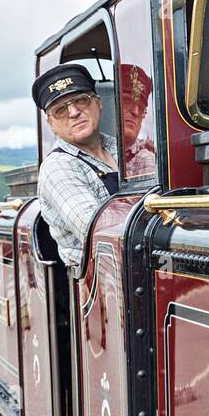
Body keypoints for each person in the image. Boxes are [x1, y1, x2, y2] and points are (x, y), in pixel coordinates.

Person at [31, 63, 119, 276]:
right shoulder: (57, 168)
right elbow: (99, 231)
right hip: (101, 280)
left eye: (81, 100)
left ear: (98, 103)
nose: (73, 112)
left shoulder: (125, 149)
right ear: (51, 123)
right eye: (60, 110)